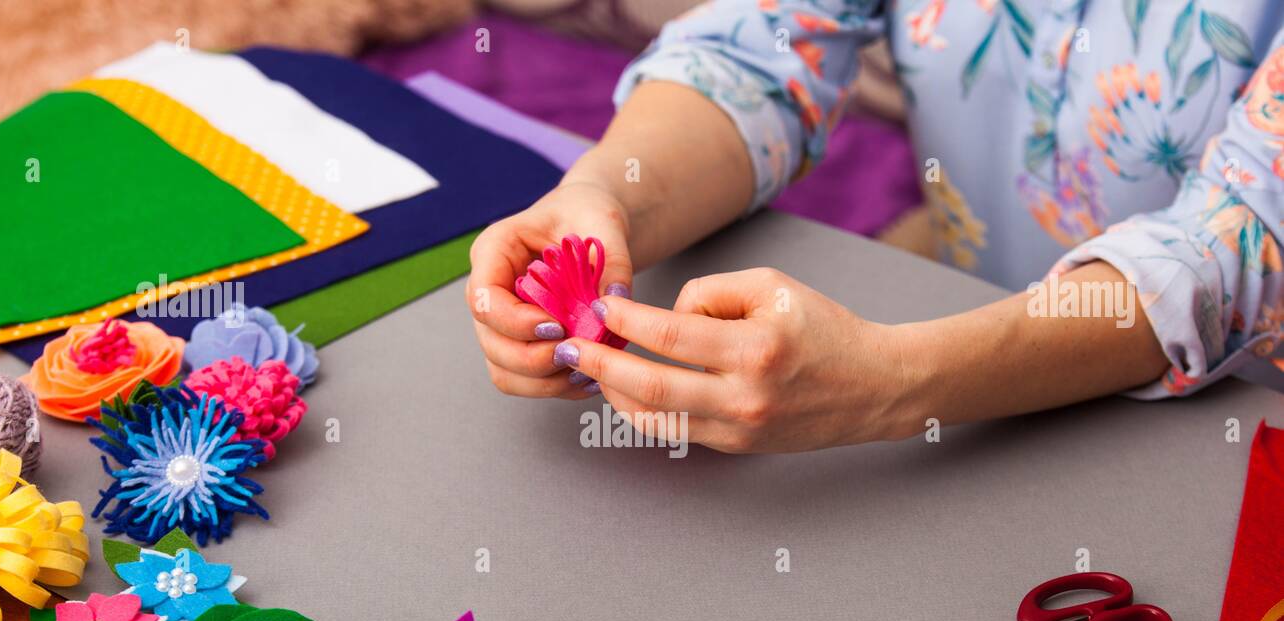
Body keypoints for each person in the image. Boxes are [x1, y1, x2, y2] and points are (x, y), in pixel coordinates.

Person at [466, 1, 1284, 453]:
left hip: (1234, 432)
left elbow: (1241, 245)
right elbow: (761, 48)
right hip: (995, 383)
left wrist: (898, 380)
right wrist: (604, 192)